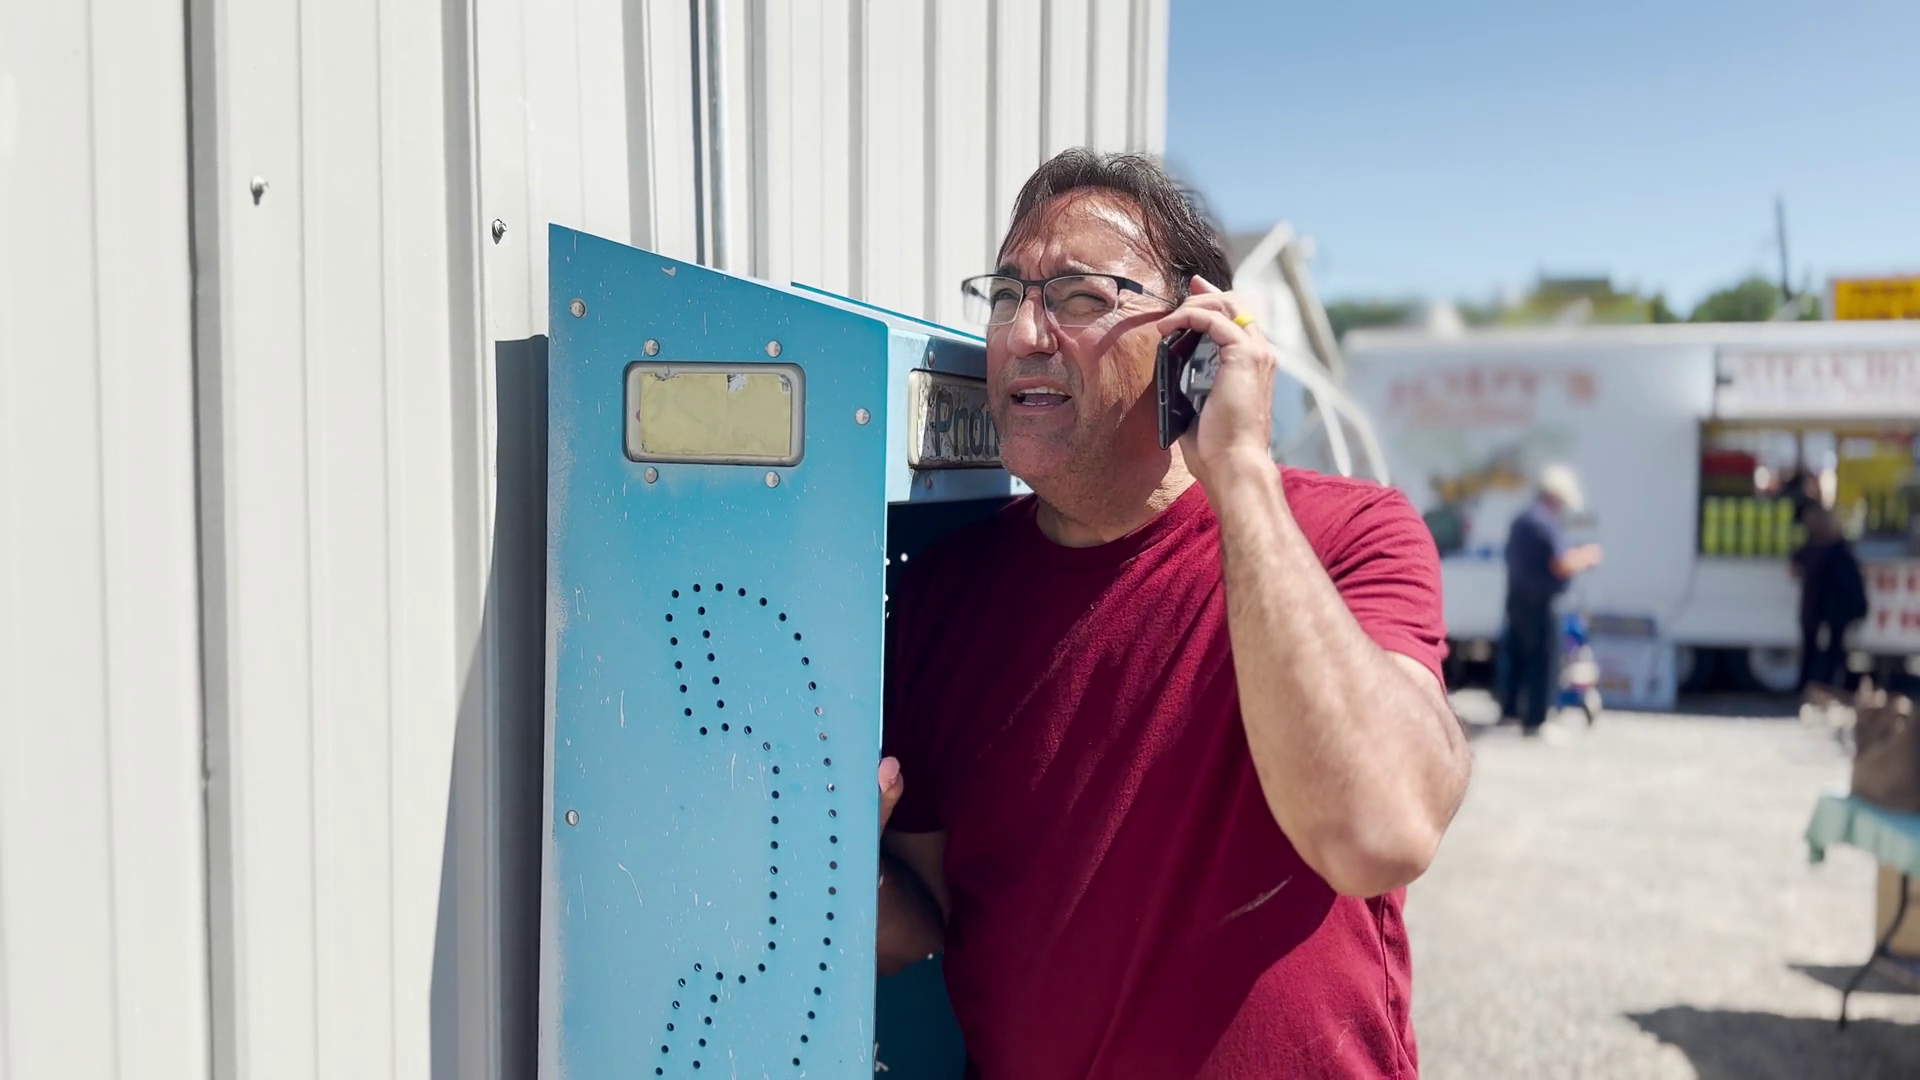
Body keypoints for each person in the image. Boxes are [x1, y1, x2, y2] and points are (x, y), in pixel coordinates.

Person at [873, 149, 1470, 1078]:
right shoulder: (940, 596)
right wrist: (813, 842)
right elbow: (919, 916)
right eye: (1005, 295)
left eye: (1079, 298)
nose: (1026, 333)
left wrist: (1239, 473)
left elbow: (1380, 832)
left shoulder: (1347, 535)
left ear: (1193, 337)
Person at [1500, 464, 1602, 735]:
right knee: (1542, 661)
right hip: (1541, 602)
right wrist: (1587, 557)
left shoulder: (1521, 520)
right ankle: (1536, 720)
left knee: (1516, 657)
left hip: (1517, 598)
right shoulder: (1544, 522)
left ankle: (1509, 711)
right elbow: (1560, 563)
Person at [1790, 506, 1868, 693]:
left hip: (1820, 607)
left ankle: (1811, 687)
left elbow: (1796, 570)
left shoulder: (1813, 551)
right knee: (1832, 651)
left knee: (1816, 651)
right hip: (1831, 609)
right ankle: (1823, 687)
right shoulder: (1839, 551)